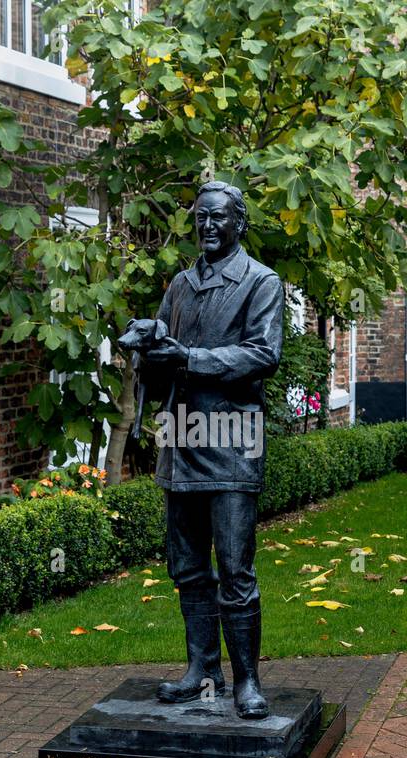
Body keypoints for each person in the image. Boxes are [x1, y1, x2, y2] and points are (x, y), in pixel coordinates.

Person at [128, 180, 284, 719]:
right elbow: (162, 360)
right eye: (201, 219)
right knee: (188, 567)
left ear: (239, 223)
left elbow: (262, 354)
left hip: (232, 443)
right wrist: (147, 346)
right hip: (182, 438)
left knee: (236, 570)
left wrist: (188, 357)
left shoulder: (261, 282)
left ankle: (247, 681)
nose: (208, 226)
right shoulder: (179, 285)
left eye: (219, 218)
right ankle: (202, 670)